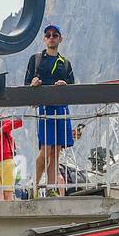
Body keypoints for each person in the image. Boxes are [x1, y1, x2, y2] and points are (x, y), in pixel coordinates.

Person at [25, 23, 76, 196]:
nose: (51, 37)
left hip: (61, 109)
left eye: (55, 35)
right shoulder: (36, 59)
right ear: (44, 39)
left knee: (55, 153)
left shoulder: (66, 63)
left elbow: (73, 88)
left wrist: (65, 85)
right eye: (48, 35)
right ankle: (34, 186)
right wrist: (34, 83)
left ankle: (52, 189)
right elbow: (26, 84)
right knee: (45, 150)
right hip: (45, 110)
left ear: (60, 39)